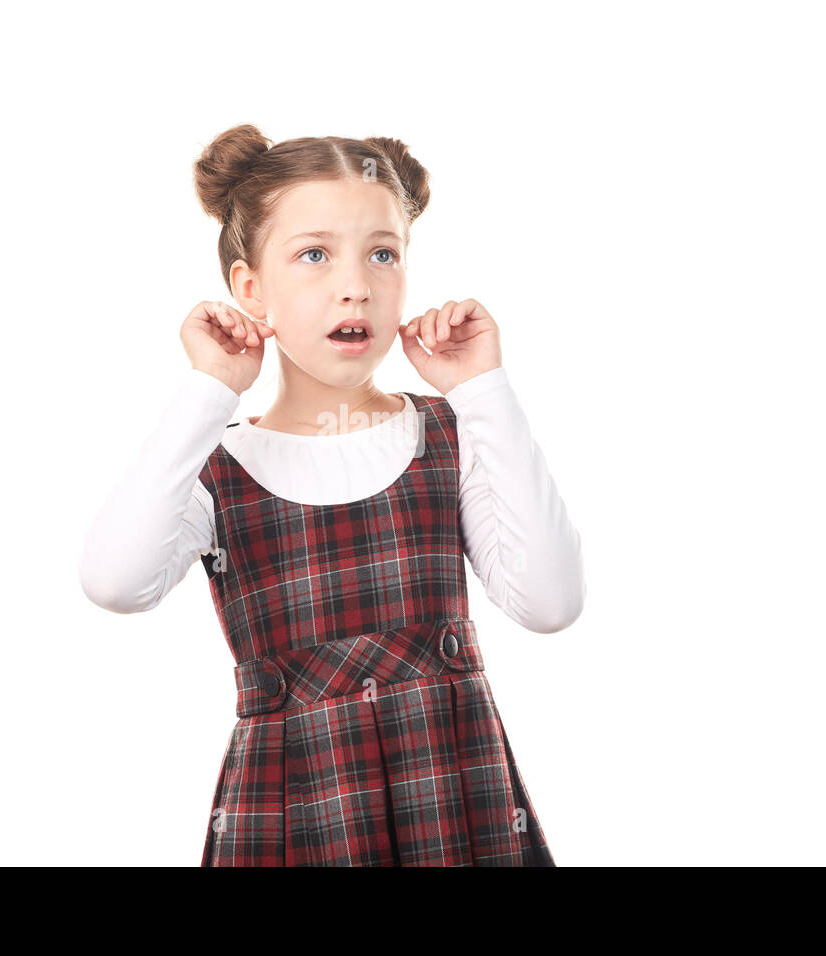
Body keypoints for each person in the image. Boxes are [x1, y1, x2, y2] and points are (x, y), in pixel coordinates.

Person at [79, 124, 586, 865]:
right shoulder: (218, 468)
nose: (355, 284)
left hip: (452, 808)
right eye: (314, 255)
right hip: (295, 816)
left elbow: (552, 603)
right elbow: (114, 582)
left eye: (382, 254)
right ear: (251, 289)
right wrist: (207, 390)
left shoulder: (450, 434)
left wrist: (483, 390)